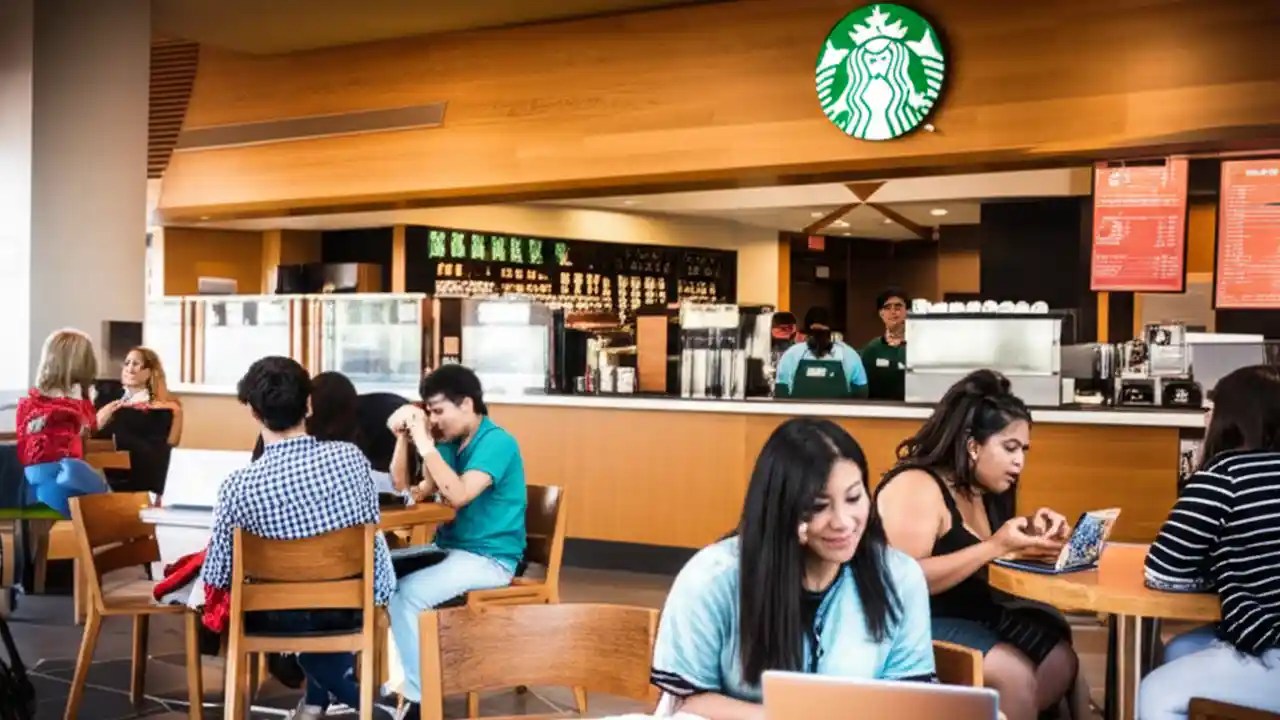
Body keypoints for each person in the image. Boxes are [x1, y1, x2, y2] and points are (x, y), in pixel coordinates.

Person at [650, 418, 935, 718]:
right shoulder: (712, 578)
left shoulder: (899, 577)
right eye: (818, 506)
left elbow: (908, 698)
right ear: (781, 510)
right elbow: (685, 700)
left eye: (853, 498)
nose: (843, 522)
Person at [874, 370, 1086, 720]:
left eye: (1024, 450)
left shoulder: (980, 490)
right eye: (1010, 448)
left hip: (972, 613)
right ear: (973, 445)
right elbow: (901, 579)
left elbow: (980, 552)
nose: (1020, 462)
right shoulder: (917, 485)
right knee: (1015, 674)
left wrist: (1035, 537)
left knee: (1060, 658)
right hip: (911, 624)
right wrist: (996, 546)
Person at [200, 356, 395, 720]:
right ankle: (347, 702)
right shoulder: (351, 460)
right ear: (308, 404)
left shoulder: (237, 487)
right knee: (326, 601)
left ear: (254, 414)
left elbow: (218, 575)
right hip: (346, 609)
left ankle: (332, 699)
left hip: (275, 617)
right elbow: (371, 532)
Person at [385, 364, 527, 719]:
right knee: (381, 574)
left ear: (466, 404)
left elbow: (459, 493)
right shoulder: (449, 444)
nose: (433, 420)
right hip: (451, 550)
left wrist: (425, 441)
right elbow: (404, 488)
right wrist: (404, 437)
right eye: (428, 412)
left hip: (490, 559)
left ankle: (421, 701)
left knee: (408, 595)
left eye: (438, 411)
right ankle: (403, 685)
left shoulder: (498, 442)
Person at [1138, 365, 1280, 719]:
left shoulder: (1226, 474)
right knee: (1181, 650)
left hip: (1272, 649)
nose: (1205, 415)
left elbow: (1162, 571)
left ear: (1235, 419)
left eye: (1211, 407)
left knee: (1155, 691)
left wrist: (1218, 574)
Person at [16, 329, 108, 517]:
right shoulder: (77, 404)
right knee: (106, 506)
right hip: (60, 479)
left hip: (35, 481)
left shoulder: (29, 403)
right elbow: (89, 426)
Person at [94, 347, 182, 498]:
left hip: (147, 480)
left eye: (136, 364)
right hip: (107, 477)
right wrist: (100, 419)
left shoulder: (168, 408)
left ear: (149, 372)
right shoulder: (107, 400)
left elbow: (170, 445)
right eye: (127, 363)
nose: (129, 368)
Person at [774, 307, 869, 399]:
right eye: (814, 332)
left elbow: (861, 393)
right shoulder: (792, 355)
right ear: (807, 332)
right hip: (801, 414)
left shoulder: (848, 355)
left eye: (822, 332)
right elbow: (781, 392)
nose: (819, 338)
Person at [860, 288, 909, 401]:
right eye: (887, 308)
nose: (893, 311)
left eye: (898, 307)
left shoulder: (917, 347)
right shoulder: (872, 349)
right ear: (881, 314)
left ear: (907, 311)